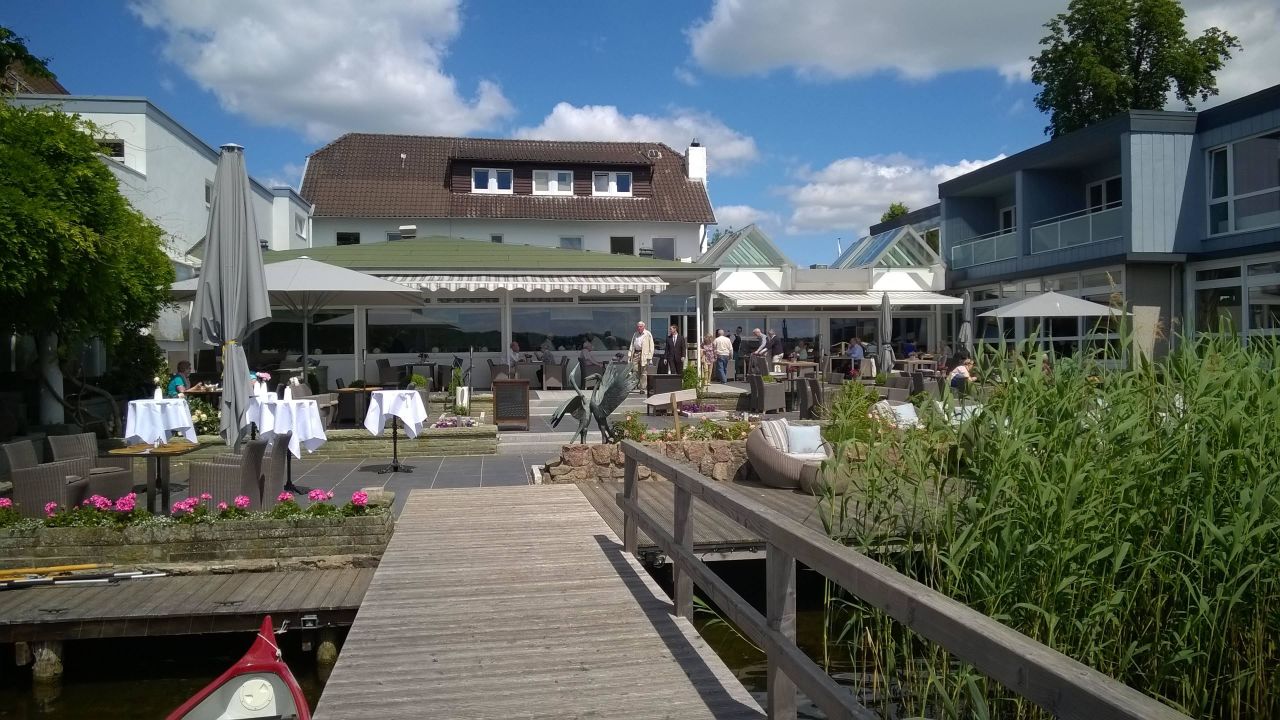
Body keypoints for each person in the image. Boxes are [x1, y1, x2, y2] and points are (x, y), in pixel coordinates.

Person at [629, 321, 654, 392]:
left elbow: (651, 346)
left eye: (640, 326)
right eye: (638, 326)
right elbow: (632, 344)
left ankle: (642, 388)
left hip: (644, 354)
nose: (639, 328)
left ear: (643, 327)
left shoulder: (647, 334)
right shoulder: (635, 334)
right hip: (636, 353)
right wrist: (630, 354)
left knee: (643, 372)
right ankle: (634, 385)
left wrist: (650, 356)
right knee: (635, 370)